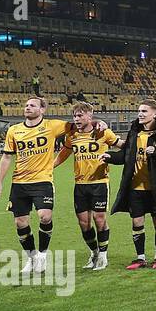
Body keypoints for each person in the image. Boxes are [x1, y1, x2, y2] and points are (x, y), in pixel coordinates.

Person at [0, 97, 73, 274]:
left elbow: (79, 125)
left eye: (32, 105)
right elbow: (6, 157)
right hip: (19, 183)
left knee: (45, 216)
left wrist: (98, 123)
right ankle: (32, 257)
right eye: (26, 105)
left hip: (43, 180)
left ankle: (42, 255)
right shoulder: (14, 130)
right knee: (20, 222)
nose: (28, 107)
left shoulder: (52, 126)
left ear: (42, 110)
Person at [52, 102, 121, 270]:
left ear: (90, 116)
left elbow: (122, 145)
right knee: (84, 223)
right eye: (74, 116)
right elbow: (64, 153)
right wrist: (51, 166)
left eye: (80, 115)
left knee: (99, 219)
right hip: (80, 184)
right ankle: (94, 252)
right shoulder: (72, 136)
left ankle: (103, 256)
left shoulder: (103, 132)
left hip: (99, 182)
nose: (76, 119)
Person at [109, 100, 156, 269]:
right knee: (137, 222)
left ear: (155, 114)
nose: (140, 114)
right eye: (139, 111)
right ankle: (140, 258)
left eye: (144, 111)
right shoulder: (134, 132)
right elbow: (124, 155)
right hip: (135, 187)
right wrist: (109, 156)